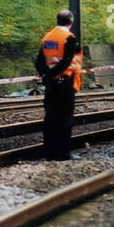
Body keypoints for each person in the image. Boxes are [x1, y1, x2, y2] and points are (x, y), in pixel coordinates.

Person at [34, 9, 83, 160]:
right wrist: (54, 74)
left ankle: (49, 153)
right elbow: (66, 62)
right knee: (65, 119)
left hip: (51, 85)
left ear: (57, 20)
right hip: (65, 83)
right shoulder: (69, 38)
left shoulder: (47, 37)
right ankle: (63, 153)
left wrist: (46, 75)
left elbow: (39, 61)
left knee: (50, 118)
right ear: (71, 22)